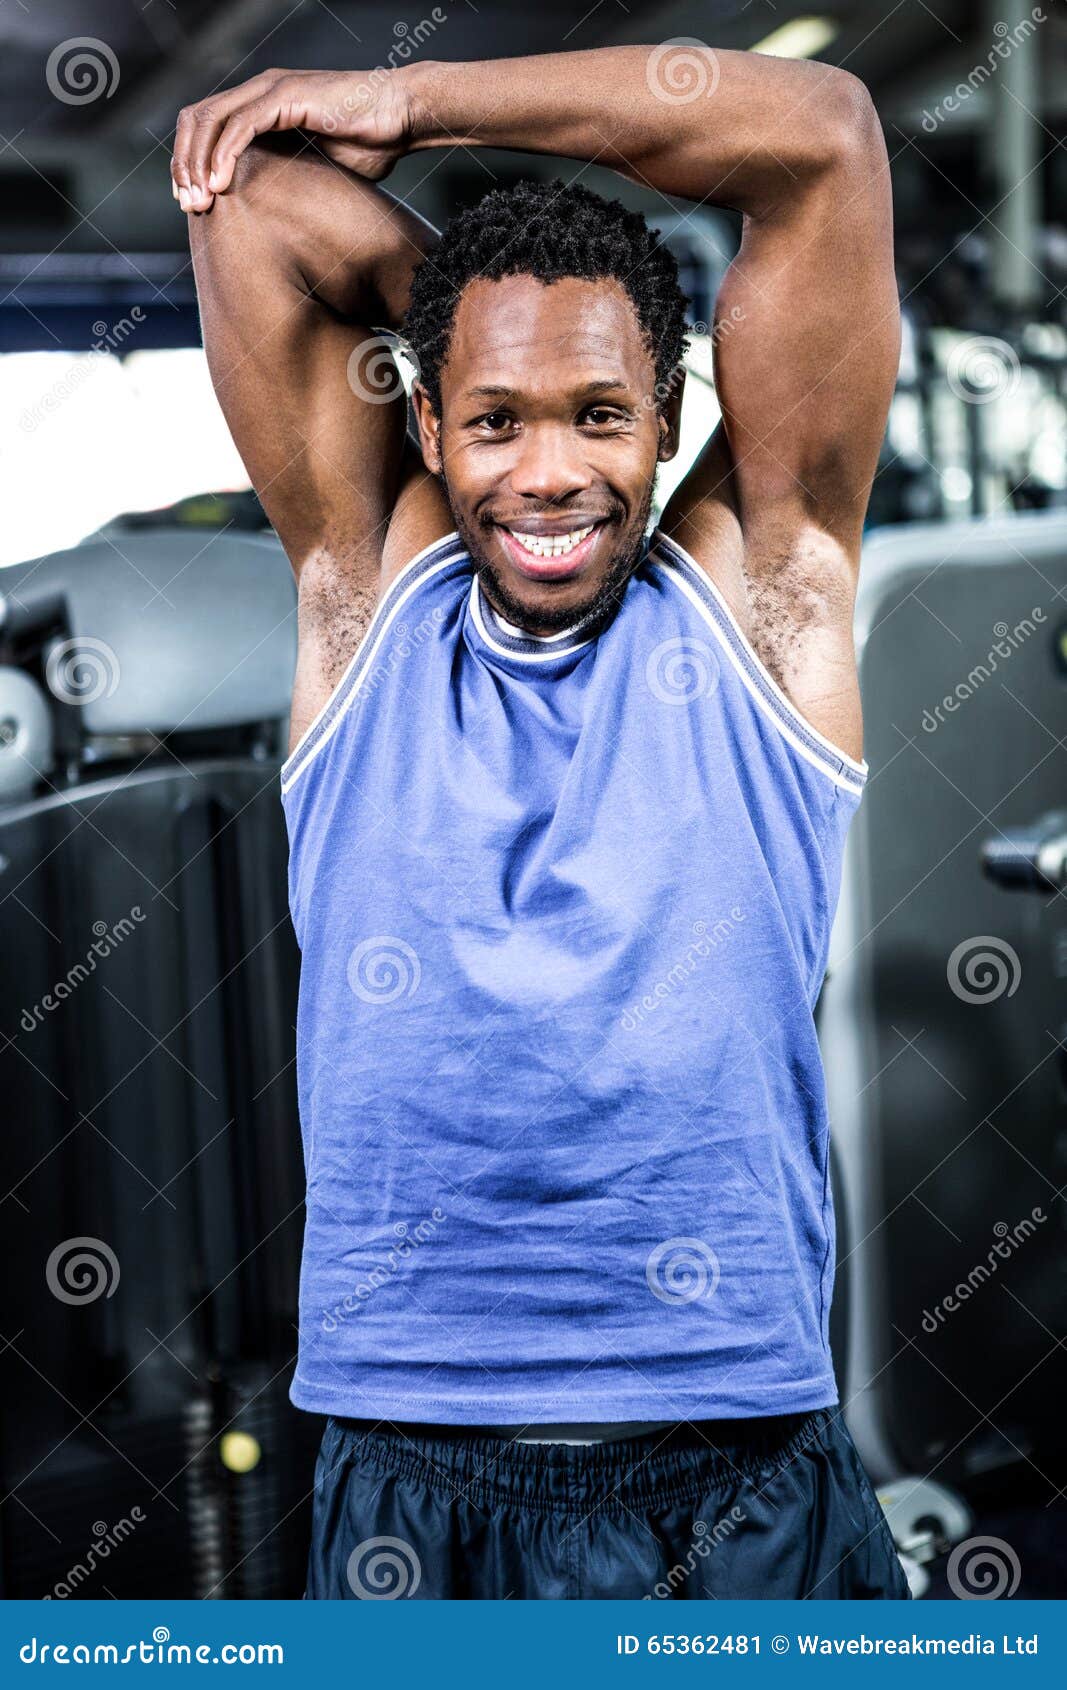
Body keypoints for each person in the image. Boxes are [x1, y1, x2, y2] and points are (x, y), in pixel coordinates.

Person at [174, 44, 907, 1600]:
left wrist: (423, 103)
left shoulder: (763, 599)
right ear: (429, 424)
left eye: (602, 413)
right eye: (498, 421)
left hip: (736, 1465)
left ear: (670, 413)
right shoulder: (367, 595)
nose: (553, 474)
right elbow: (241, 197)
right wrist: (481, 308)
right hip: (413, 1469)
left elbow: (825, 140)